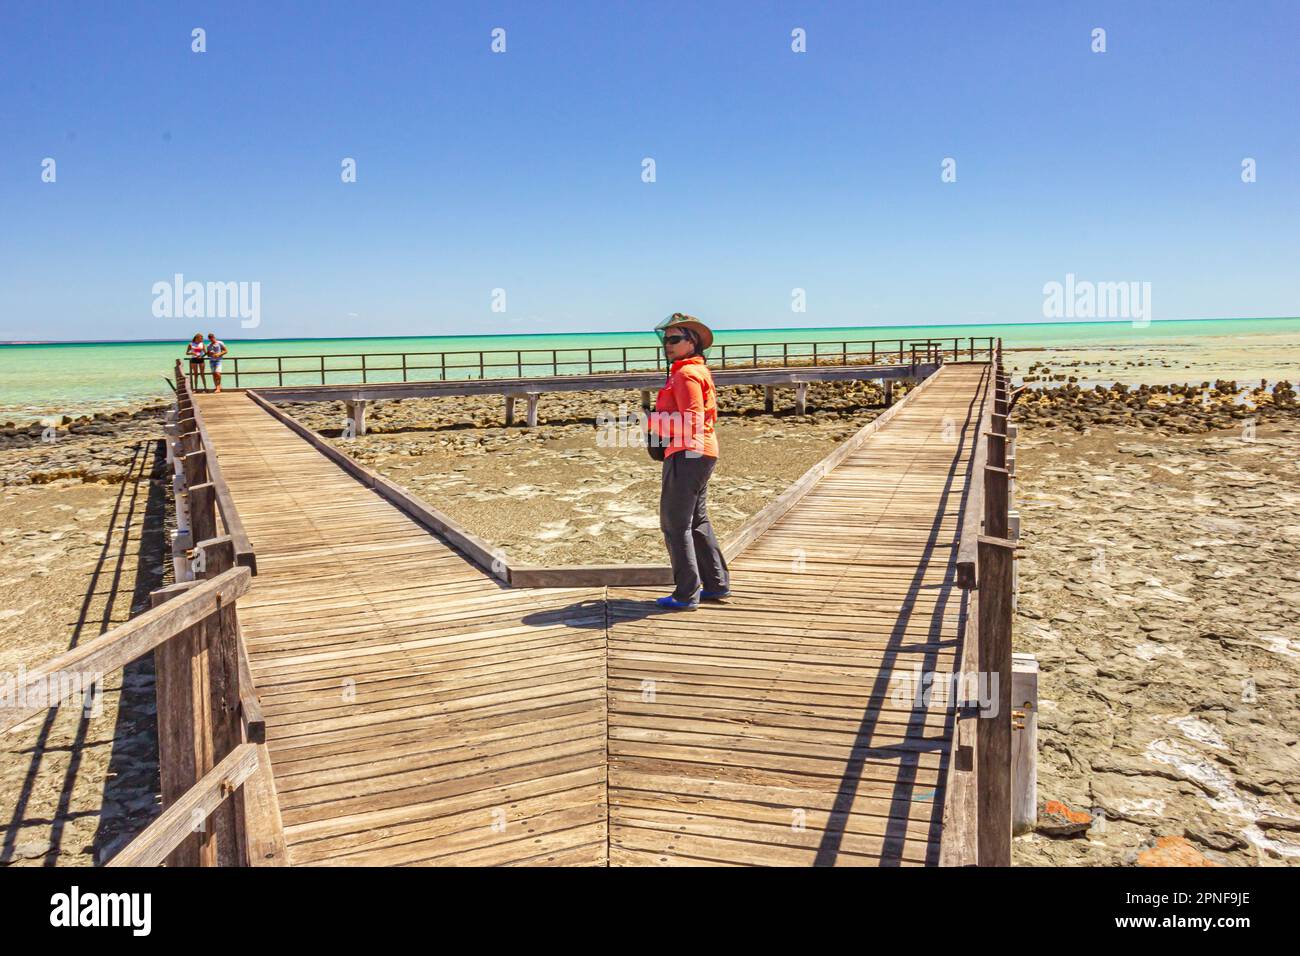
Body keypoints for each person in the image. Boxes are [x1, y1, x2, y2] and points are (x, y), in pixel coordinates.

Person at [648, 313, 730, 610]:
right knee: (697, 521)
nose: (667, 345)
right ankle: (716, 584)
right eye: (665, 339)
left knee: (675, 523)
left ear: (691, 342)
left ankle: (686, 594)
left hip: (688, 452)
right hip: (701, 451)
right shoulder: (694, 370)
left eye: (674, 339)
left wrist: (653, 421)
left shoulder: (685, 374)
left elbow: (691, 422)